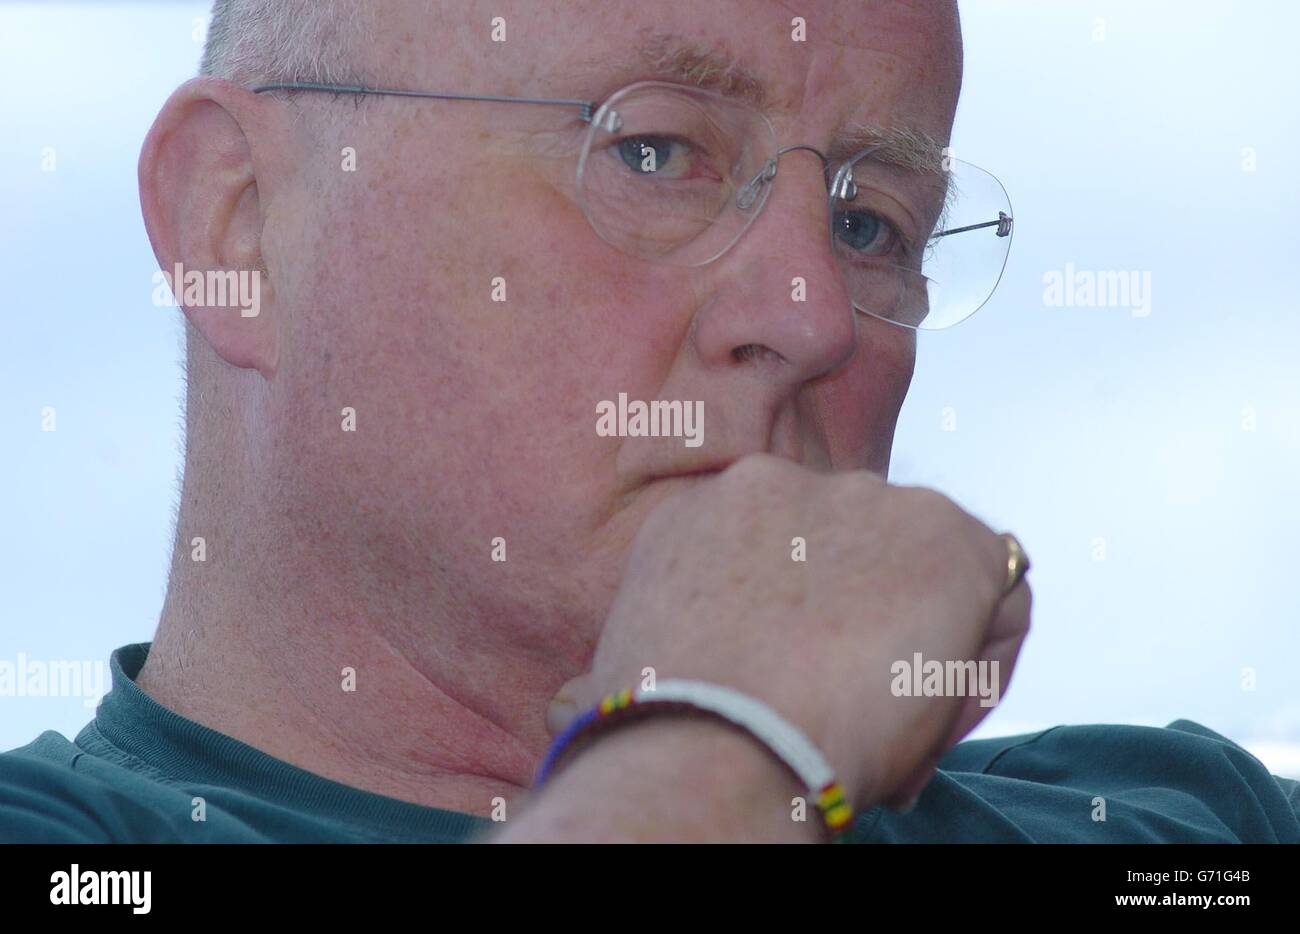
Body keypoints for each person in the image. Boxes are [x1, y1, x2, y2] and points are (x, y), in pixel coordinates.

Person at [3, 0, 1296, 843]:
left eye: (868, 221)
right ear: (242, 222)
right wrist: (723, 743)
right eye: (656, 153)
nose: (813, 315)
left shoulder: (1187, 834)